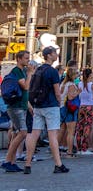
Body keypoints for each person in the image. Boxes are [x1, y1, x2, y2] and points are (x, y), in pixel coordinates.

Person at [23, 45, 68, 174]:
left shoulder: (39, 69)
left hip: (38, 105)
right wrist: (59, 102)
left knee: (34, 133)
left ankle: (28, 164)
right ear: (49, 55)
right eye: (54, 53)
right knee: (52, 134)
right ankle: (58, 164)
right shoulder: (52, 71)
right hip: (51, 105)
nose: (56, 55)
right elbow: (57, 92)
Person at [1, 50, 32, 173]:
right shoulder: (17, 71)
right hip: (16, 107)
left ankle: (11, 162)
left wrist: (29, 106)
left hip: (21, 106)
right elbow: (26, 87)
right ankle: (8, 161)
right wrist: (30, 74)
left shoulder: (23, 71)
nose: (27, 61)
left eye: (28, 58)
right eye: (25, 58)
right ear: (18, 59)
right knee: (23, 133)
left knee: (16, 133)